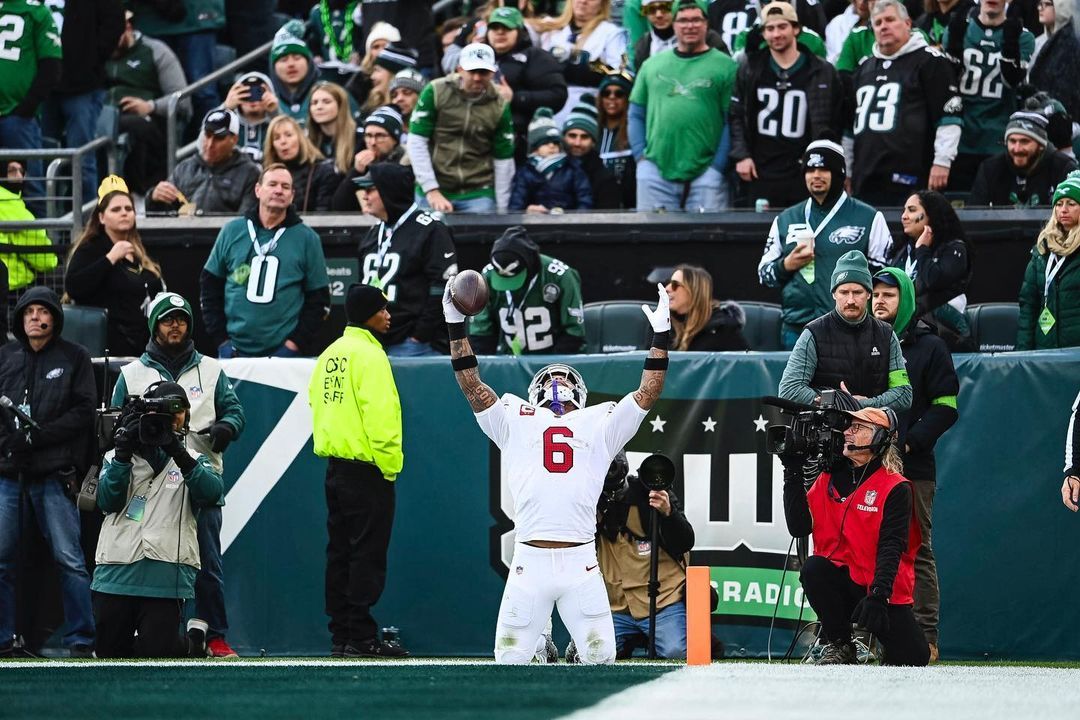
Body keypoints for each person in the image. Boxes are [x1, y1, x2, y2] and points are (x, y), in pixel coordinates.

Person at [445, 276, 670, 665]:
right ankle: (541, 642)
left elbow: (648, 393)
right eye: (550, 378)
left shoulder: (600, 422)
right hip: (528, 561)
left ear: (580, 395)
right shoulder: (514, 415)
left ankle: (564, 647)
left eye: (565, 378)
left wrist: (662, 336)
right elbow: (471, 385)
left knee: (601, 659)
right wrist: (455, 323)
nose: (558, 383)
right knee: (509, 662)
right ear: (535, 391)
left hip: (580, 562)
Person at [109, 292, 245, 659]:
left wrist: (226, 429)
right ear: (155, 325)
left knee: (208, 562)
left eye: (182, 319)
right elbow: (114, 424)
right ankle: (158, 632)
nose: (176, 325)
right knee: (143, 555)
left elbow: (235, 412)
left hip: (199, 483)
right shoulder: (132, 373)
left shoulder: (212, 370)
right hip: (146, 486)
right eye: (168, 319)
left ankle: (214, 634)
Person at [781, 406, 929, 666]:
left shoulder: (895, 487)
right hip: (843, 584)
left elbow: (891, 547)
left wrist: (879, 596)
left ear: (881, 437)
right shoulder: (828, 478)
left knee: (914, 659)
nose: (847, 432)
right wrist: (791, 475)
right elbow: (799, 528)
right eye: (848, 426)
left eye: (858, 428)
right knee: (814, 568)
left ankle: (881, 642)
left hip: (880, 591)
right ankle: (840, 643)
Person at [309, 283, 409, 658]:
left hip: (335, 470)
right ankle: (362, 637)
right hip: (368, 471)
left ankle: (343, 635)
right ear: (367, 314)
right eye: (382, 309)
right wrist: (389, 467)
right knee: (366, 555)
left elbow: (316, 404)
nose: (388, 315)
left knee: (340, 553)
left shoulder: (330, 353)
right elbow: (382, 417)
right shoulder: (371, 356)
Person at [92, 382, 223, 658]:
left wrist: (179, 453)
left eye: (178, 409)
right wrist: (122, 456)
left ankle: (191, 644)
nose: (171, 417)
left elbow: (211, 494)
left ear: (187, 415)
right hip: (116, 568)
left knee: (158, 655)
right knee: (109, 654)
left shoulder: (196, 458)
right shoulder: (115, 455)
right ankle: (191, 642)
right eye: (163, 410)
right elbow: (107, 501)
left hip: (166, 573)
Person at [0, 287, 96, 658]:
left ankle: (82, 641)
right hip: (9, 475)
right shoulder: (4, 358)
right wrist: (9, 445)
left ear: (55, 318)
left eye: (43, 312)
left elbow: (84, 411)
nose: (35, 318)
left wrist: (37, 439)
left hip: (55, 475)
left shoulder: (75, 357)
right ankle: (5, 638)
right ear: (19, 319)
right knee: (2, 561)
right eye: (28, 312)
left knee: (69, 559)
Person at [872, 268, 959, 663]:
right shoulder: (862, 342)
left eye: (888, 294)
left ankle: (926, 638)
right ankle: (865, 637)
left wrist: (909, 442)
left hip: (913, 466)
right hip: (864, 466)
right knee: (864, 550)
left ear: (904, 298)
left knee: (917, 550)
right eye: (874, 294)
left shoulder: (930, 346)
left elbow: (946, 408)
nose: (878, 301)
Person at [758, 137, 891, 348]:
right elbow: (764, 275)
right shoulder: (786, 218)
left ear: (839, 173)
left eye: (824, 169)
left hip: (849, 328)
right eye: (810, 170)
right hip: (797, 328)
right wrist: (786, 265)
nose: (816, 176)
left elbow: (884, 277)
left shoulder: (869, 217)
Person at [201, 164, 331, 357]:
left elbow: (319, 300)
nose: (279, 190)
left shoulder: (307, 238)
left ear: (292, 195)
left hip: (284, 356)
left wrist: (293, 345)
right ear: (258, 189)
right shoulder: (232, 231)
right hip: (234, 353)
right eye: (272, 184)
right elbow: (210, 287)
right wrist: (222, 341)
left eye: (285, 187)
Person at [730, 2, 845, 209]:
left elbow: (835, 120)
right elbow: (737, 114)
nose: (776, 34)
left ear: (796, 29)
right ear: (763, 34)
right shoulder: (750, 68)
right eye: (770, 29)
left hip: (805, 170)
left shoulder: (822, 70)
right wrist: (742, 155)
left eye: (782, 27)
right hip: (760, 170)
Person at [849, 0, 963, 206]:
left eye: (890, 20)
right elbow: (848, 128)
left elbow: (949, 116)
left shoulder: (931, 61)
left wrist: (942, 162)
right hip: (865, 175)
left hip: (910, 175)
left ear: (908, 24)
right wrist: (847, 170)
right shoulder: (864, 68)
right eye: (878, 22)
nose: (884, 26)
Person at [630, 0, 737, 212]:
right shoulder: (652, 65)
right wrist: (641, 159)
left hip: (707, 175)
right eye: (683, 20)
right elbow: (635, 114)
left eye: (696, 19)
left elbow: (731, 120)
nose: (690, 26)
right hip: (655, 173)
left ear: (706, 23)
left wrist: (717, 167)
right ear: (674, 23)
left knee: (710, 240)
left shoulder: (727, 66)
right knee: (653, 242)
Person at [778, 249, 913, 412]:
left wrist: (864, 405)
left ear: (869, 294)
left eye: (857, 292)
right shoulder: (813, 333)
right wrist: (839, 404)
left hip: (871, 433)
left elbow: (904, 395)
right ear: (834, 293)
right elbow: (789, 390)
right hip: (822, 432)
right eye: (843, 292)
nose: (850, 300)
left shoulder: (886, 334)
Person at [594, 451, 694, 659]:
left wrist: (668, 513)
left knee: (676, 652)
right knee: (594, 654)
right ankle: (625, 642)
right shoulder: (588, 499)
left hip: (662, 601)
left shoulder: (649, 492)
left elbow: (685, 541)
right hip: (617, 606)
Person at [356, 164, 457, 356]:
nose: (365, 196)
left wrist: (420, 335)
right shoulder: (373, 233)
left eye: (370, 189)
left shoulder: (430, 229)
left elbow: (445, 286)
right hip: (373, 342)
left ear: (389, 191)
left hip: (413, 345)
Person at [407, 43, 516, 214]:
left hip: (478, 190)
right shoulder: (435, 91)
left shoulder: (499, 105)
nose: (478, 78)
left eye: (483, 72)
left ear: (493, 73)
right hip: (435, 186)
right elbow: (416, 142)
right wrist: (431, 189)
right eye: (472, 72)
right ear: (459, 69)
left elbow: (503, 159)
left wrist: (501, 210)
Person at [64, 175, 166, 357]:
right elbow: (74, 286)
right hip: (108, 349)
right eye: (116, 209)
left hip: (143, 346)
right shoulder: (91, 248)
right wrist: (110, 258)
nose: (124, 213)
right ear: (102, 217)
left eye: (128, 208)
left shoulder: (140, 250)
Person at [941, 0, 1034, 192]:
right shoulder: (958, 30)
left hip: (997, 140)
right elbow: (946, 85)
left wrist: (1010, 46)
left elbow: (1011, 81)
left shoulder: (1022, 36)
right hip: (961, 138)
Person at [40, 0, 124, 208]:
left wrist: (90, 60)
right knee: (42, 158)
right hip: (43, 86)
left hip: (83, 86)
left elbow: (114, 21)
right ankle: (47, 222)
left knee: (82, 160)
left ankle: (87, 225)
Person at [105, 8, 191, 195]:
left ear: (127, 27)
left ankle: (144, 192)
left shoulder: (156, 51)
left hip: (149, 118)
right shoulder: (97, 53)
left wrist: (149, 107)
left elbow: (182, 100)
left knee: (139, 128)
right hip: (105, 116)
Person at [469, 226, 586, 355]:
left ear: (530, 263)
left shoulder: (561, 276)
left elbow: (574, 332)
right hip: (509, 361)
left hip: (554, 360)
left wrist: (552, 369)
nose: (508, 285)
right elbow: (480, 332)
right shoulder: (488, 277)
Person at [482, 6, 568, 165]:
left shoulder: (537, 58)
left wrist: (516, 97)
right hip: (480, 140)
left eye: (506, 28)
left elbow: (558, 95)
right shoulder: (477, 57)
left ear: (519, 31)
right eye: (494, 27)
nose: (500, 32)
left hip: (522, 143)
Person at [890, 190, 973, 348]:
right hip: (906, 332)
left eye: (912, 210)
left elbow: (932, 282)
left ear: (931, 214)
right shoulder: (902, 251)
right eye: (904, 210)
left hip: (947, 336)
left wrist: (922, 249)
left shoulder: (954, 249)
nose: (904, 216)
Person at [0, 0, 62, 212]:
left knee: (31, 189)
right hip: (17, 116)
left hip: (17, 119)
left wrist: (26, 107)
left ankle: (40, 244)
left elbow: (51, 66)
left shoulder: (37, 12)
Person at [146, 109, 262, 216]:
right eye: (207, 135)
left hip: (224, 236)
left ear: (234, 139)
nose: (210, 144)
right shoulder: (184, 168)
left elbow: (245, 223)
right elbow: (160, 217)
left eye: (219, 138)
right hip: (183, 235)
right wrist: (154, 198)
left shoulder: (249, 173)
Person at [132, 0, 225, 127]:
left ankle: (216, 139)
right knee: (148, 94)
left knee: (203, 91)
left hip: (198, 17)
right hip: (149, 19)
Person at [537, 0, 629, 123]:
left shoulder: (612, 33)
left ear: (602, 3)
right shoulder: (550, 30)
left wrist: (586, 67)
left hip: (589, 112)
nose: (583, 1)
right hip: (550, 113)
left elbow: (620, 73)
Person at [1016, 173, 1080, 350]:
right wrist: (1022, 354)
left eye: (1071, 204)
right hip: (1045, 352)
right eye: (1059, 204)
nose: (1063, 209)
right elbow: (1028, 306)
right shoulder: (1042, 251)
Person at [969, 110, 1078, 207]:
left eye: (1024, 141)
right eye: (1012, 141)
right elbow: (975, 216)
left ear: (1041, 145)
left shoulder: (1064, 168)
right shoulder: (990, 169)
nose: (1017, 149)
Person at [510, 108, 594, 213]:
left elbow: (585, 199)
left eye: (555, 142)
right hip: (535, 225)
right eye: (545, 143)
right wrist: (526, 212)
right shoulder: (525, 172)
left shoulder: (572, 168)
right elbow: (516, 205)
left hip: (568, 224)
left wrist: (575, 219)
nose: (551, 146)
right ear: (535, 148)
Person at [330, 106, 409, 212]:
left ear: (395, 138)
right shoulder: (361, 160)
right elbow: (339, 206)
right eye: (368, 135)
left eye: (380, 135)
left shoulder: (406, 161)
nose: (373, 142)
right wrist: (356, 171)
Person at [0, 163, 58, 298]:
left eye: (22, 171)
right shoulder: (13, 208)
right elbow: (45, 261)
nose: (19, 176)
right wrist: (55, 261)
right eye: (12, 171)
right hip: (13, 288)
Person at [263, 115, 339, 212]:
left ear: (300, 138)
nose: (283, 141)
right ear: (272, 146)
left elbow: (323, 215)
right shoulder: (267, 174)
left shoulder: (323, 171)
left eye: (288, 135)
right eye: (277, 138)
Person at [667, 265, 749, 351]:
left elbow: (747, 362)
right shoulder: (662, 324)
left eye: (675, 284)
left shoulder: (722, 328)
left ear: (695, 291)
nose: (667, 288)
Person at [632, 0, 727, 70]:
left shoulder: (708, 38)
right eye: (651, 9)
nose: (659, 15)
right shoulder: (643, 44)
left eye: (665, 7)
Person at [1026, 0, 1080, 122]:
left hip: (1063, 120)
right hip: (1037, 116)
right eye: (1039, 4)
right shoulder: (1038, 42)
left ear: (1061, 7)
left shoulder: (1072, 45)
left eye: (1047, 4)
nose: (1040, 8)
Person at [596, 73, 637, 209]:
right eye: (606, 93)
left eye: (619, 94)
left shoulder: (635, 132)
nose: (612, 97)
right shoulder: (592, 131)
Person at [221, 71, 279, 164]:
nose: (252, 99)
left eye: (258, 92)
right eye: (245, 92)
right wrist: (225, 109)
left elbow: (299, 145)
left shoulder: (277, 126)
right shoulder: (227, 125)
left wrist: (276, 113)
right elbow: (204, 145)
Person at [269, 20, 321, 123]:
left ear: (309, 63)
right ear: (273, 67)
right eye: (283, 60)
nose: (291, 64)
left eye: (297, 58)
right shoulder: (266, 100)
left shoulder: (329, 93)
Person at [306, 82, 358, 177]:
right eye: (314, 103)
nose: (319, 107)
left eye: (326, 102)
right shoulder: (307, 142)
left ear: (340, 105)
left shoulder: (359, 138)